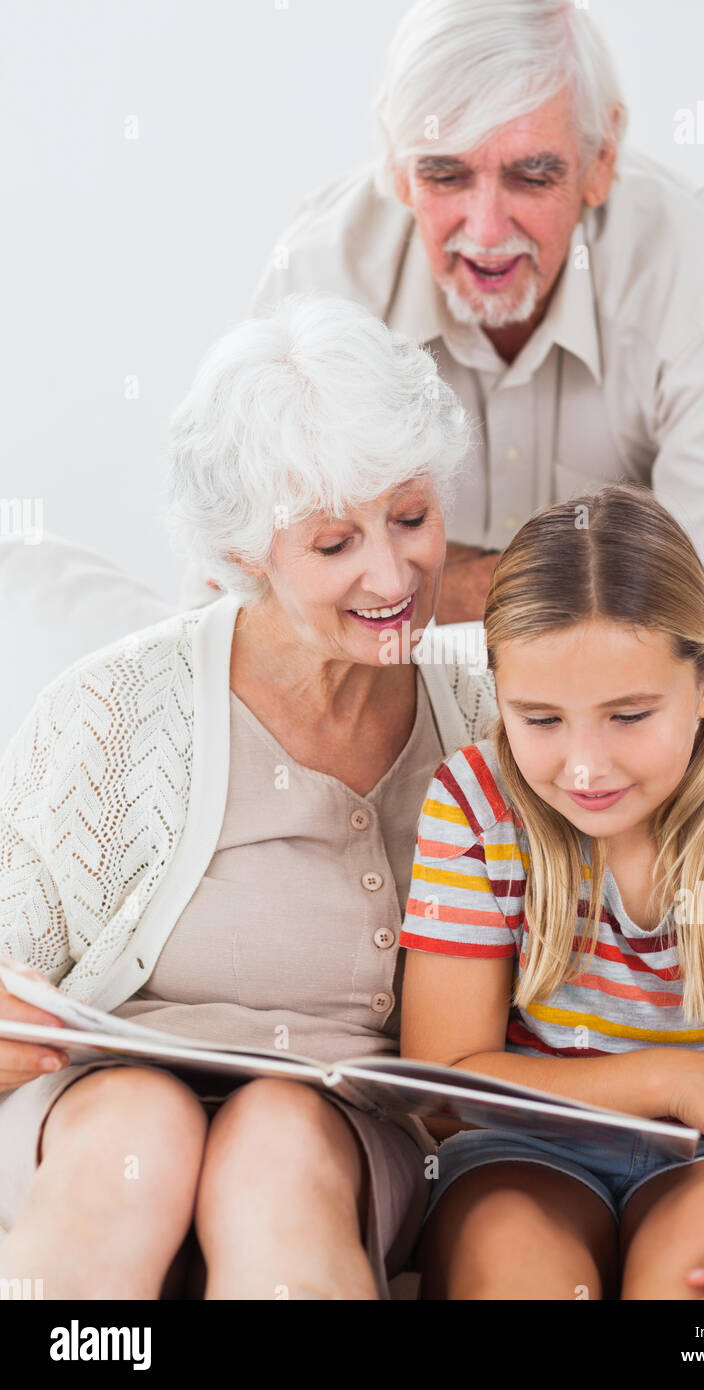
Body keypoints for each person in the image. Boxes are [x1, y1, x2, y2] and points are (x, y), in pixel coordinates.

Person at [0, 292, 497, 1301]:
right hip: (98, 1108)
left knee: (274, 1143)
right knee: (142, 1127)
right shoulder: (112, 706)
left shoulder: (496, 714)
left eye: (409, 517)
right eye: (332, 545)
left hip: (340, 1126)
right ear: (241, 557)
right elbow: (18, 951)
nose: (392, 572)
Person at [398, 485, 704, 1300]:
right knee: (513, 1262)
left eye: (629, 715)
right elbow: (445, 1085)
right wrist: (673, 1078)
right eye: (540, 720)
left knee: (695, 1273)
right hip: (523, 1150)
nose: (585, 768)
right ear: (497, 687)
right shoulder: (474, 805)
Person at [245, 0, 704, 642]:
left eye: (533, 176)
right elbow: (254, 604)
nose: (486, 232)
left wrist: (411, 591)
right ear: (397, 170)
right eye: (445, 174)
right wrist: (605, 576)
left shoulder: (683, 257)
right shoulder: (322, 276)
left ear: (600, 161)